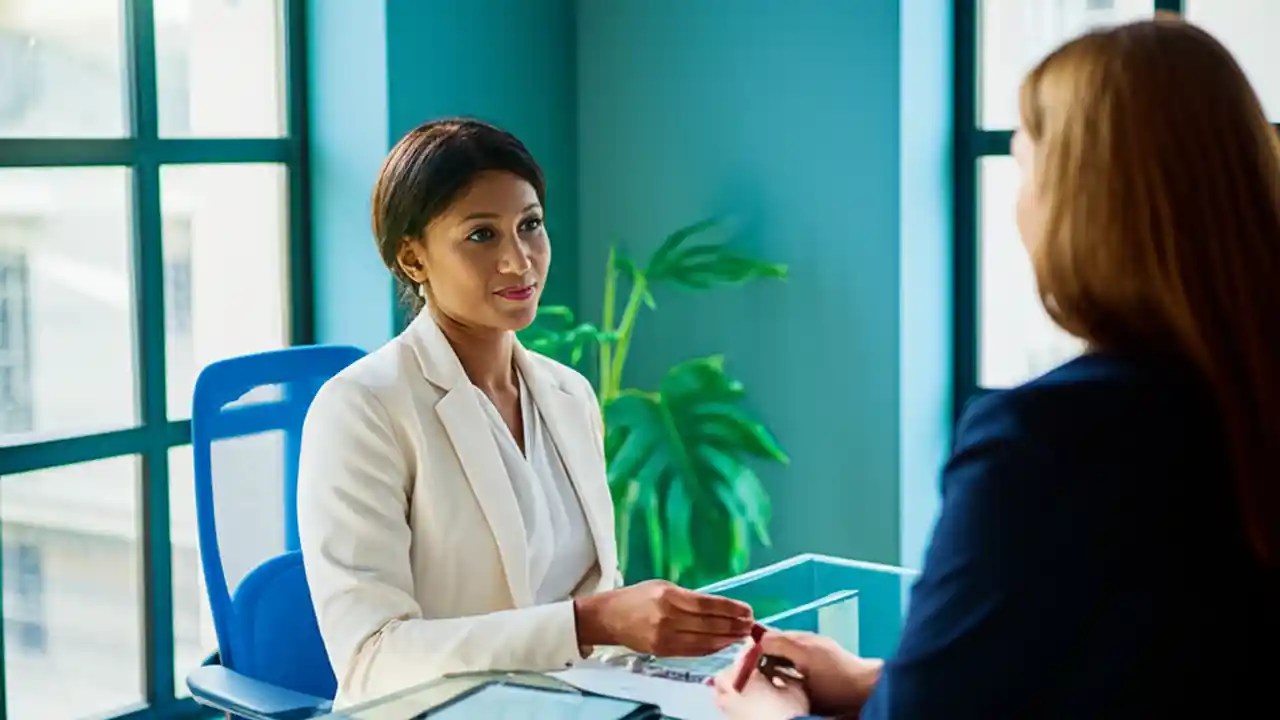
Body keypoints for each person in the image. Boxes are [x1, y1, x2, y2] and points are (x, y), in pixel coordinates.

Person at [714, 16, 1280, 719]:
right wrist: (876, 684)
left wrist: (774, 717)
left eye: (1027, 169)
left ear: (1081, 205)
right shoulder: (1244, 399)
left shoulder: (1046, 439)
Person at [297, 117, 753, 708]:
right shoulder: (362, 409)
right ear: (413, 258)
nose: (519, 261)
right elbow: (372, 660)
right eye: (481, 236)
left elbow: (597, 602)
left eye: (530, 226)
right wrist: (589, 622)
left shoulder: (568, 394)